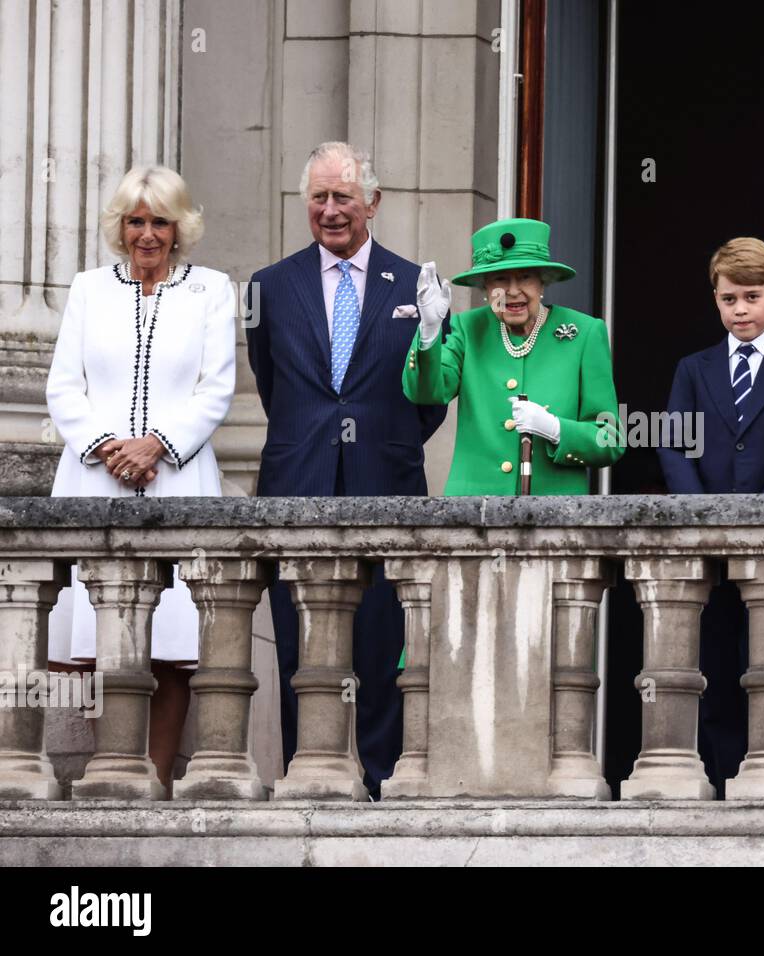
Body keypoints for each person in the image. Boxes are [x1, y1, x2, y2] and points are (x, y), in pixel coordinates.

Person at [245, 141, 447, 798]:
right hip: (296, 487)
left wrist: (375, 442)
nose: (331, 211)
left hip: (386, 486)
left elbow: (430, 400)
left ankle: (385, 783)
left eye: (344, 198)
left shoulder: (415, 283)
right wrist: (320, 438)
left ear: (373, 203)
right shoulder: (269, 287)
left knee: (383, 645)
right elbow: (276, 387)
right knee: (304, 649)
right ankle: (311, 778)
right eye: (320, 198)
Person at [45, 165, 236, 795]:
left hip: (179, 480)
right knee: (102, 635)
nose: (147, 234)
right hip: (95, 481)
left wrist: (159, 445)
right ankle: (112, 771)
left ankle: (153, 778)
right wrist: (108, 447)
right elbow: (63, 386)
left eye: (159, 221)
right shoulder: (88, 289)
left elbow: (216, 389)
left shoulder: (211, 289)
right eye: (136, 220)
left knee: (174, 638)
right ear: (120, 226)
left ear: (180, 226)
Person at [657, 237, 764, 791]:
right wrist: (699, 512)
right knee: (713, 658)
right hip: (709, 544)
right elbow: (673, 440)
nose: (740, 310)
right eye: (729, 299)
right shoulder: (694, 367)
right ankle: (723, 771)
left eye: (752, 297)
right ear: (715, 300)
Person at [402, 217, 623, 494]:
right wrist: (429, 332)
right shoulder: (469, 329)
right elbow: (427, 392)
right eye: (500, 279)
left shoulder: (585, 333)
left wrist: (556, 429)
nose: (513, 291)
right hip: (474, 511)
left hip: (555, 515)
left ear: (542, 283)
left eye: (526, 277)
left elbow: (610, 439)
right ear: (484, 288)